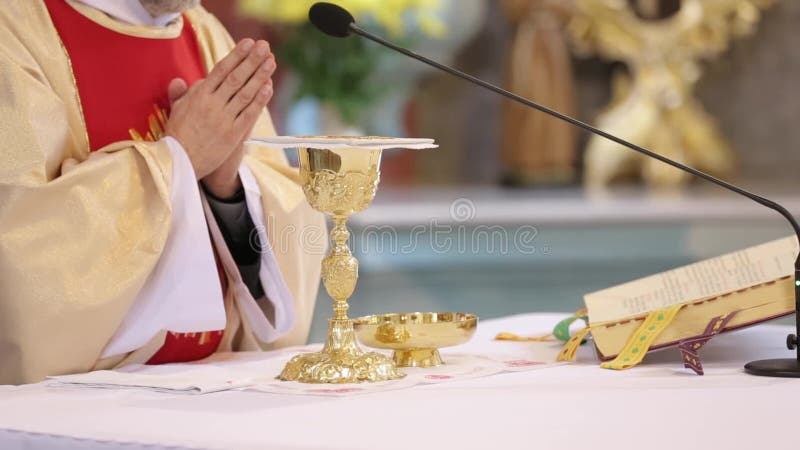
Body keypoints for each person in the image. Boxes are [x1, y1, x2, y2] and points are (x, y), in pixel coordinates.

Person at [0, 0, 326, 384]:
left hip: (214, 387)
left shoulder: (204, 33)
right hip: (80, 401)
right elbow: (20, 244)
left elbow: (285, 227)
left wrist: (228, 189)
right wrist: (179, 159)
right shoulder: (15, 32)